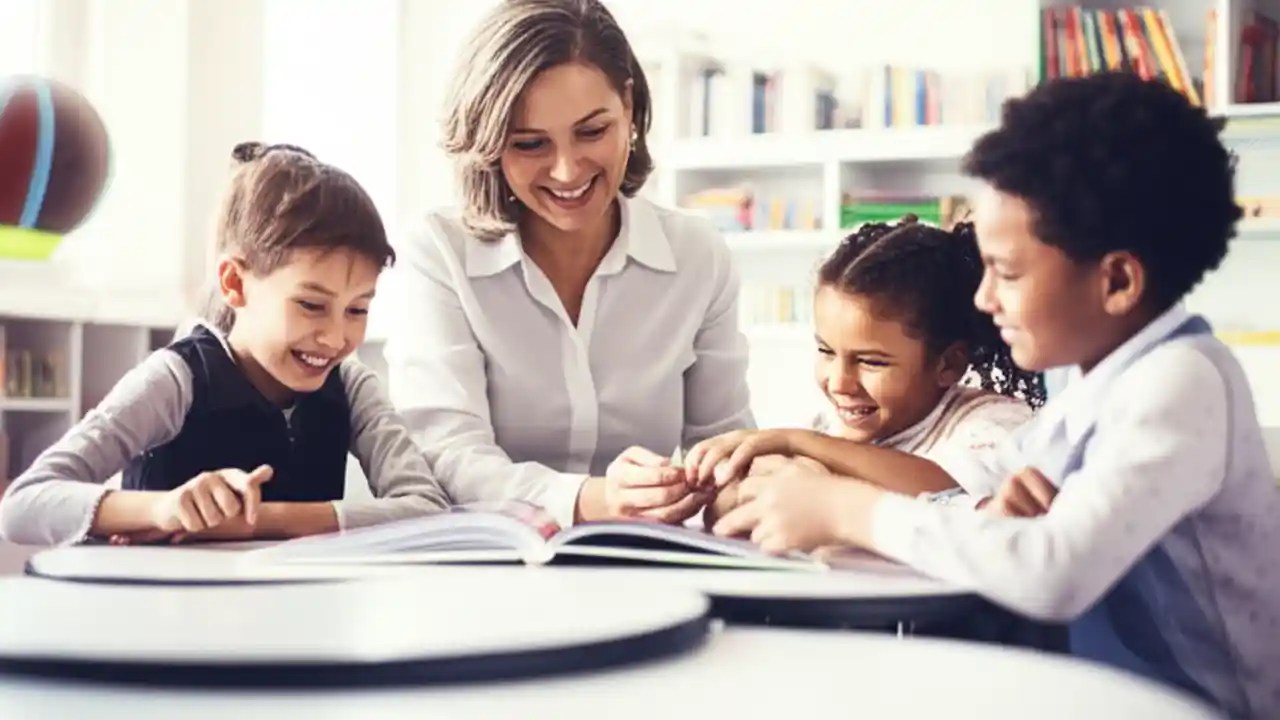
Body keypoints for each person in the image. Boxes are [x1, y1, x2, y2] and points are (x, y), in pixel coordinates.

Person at [712, 73, 1280, 718]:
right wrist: (989, 514)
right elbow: (968, 504)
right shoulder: (1093, 389)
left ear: (1118, 281)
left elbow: (1054, 571)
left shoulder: (1180, 380)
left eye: (1006, 273)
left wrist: (846, 509)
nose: (984, 300)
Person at [385, 0, 752, 529]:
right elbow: (445, 455)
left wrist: (739, 487)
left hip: (648, 557)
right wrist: (594, 499)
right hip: (484, 562)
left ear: (628, 107)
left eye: (592, 132)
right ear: (490, 146)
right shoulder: (438, 252)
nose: (566, 170)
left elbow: (726, 443)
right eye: (530, 144)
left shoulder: (698, 255)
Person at [0, 142, 450, 547]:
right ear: (235, 283)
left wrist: (256, 521)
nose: (336, 338)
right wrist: (163, 508)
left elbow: (427, 508)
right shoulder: (175, 380)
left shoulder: (352, 386)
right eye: (311, 305)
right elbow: (23, 504)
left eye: (357, 309)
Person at [684, 217, 1042, 521]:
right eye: (826, 351)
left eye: (870, 361)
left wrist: (801, 445)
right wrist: (725, 488)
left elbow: (946, 488)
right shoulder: (830, 427)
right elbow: (730, 515)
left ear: (948, 364)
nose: (840, 383)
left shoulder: (995, 422)